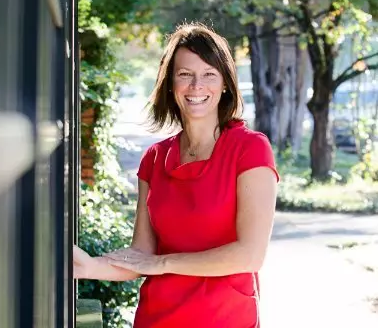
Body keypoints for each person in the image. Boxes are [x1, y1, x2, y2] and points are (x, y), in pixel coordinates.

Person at [74, 23, 279, 328]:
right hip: (157, 318)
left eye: (209, 74)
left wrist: (163, 263)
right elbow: (142, 253)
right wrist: (87, 266)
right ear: (171, 84)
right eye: (185, 74)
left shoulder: (249, 149)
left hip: (225, 319)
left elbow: (249, 255)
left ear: (225, 84)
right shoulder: (155, 159)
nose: (197, 86)